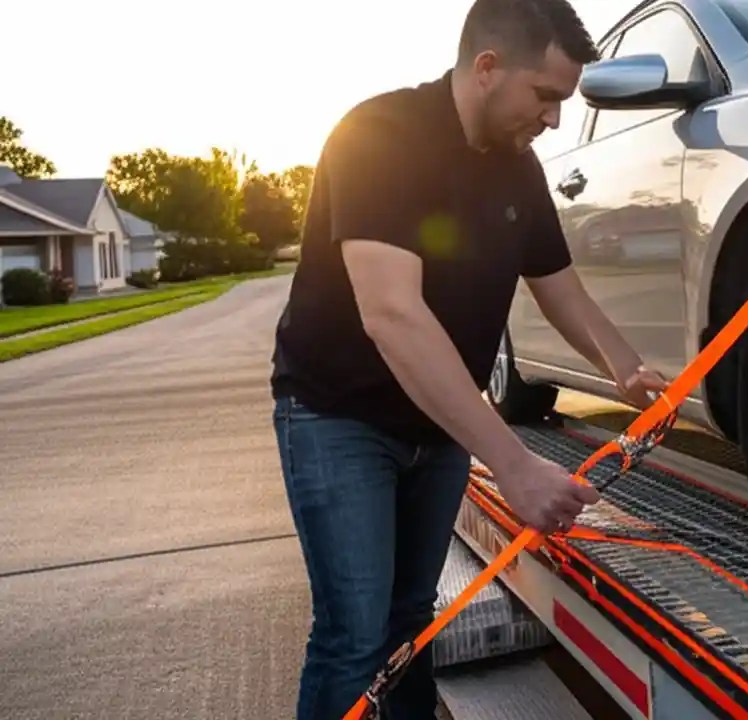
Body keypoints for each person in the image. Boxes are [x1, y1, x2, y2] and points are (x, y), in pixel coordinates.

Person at [268, 0, 668, 717]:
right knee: (354, 638)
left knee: (410, 625)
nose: (552, 120)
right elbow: (392, 315)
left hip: (437, 427)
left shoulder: (518, 168)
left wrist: (625, 366)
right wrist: (512, 464)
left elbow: (560, 288)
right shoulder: (379, 135)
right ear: (487, 68)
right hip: (338, 418)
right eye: (546, 97)